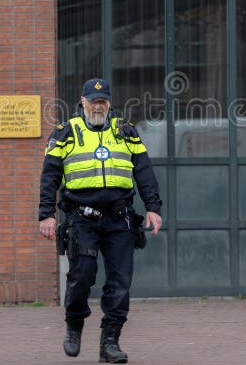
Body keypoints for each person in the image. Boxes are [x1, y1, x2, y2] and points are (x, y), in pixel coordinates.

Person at [38, 77, 162, 363]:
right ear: (82, 102)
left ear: (109, 103)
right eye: (93, 102)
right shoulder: (65, 133)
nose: (98, 106)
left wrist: (153, 207)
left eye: (103, 102)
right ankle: (74, 322)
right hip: (82, 219)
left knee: (120, 282)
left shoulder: (126, 132)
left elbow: (144, 171)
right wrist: (46, 213)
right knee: (82, 275)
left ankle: (110, 341)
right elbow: (50, 177)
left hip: (120, 219)